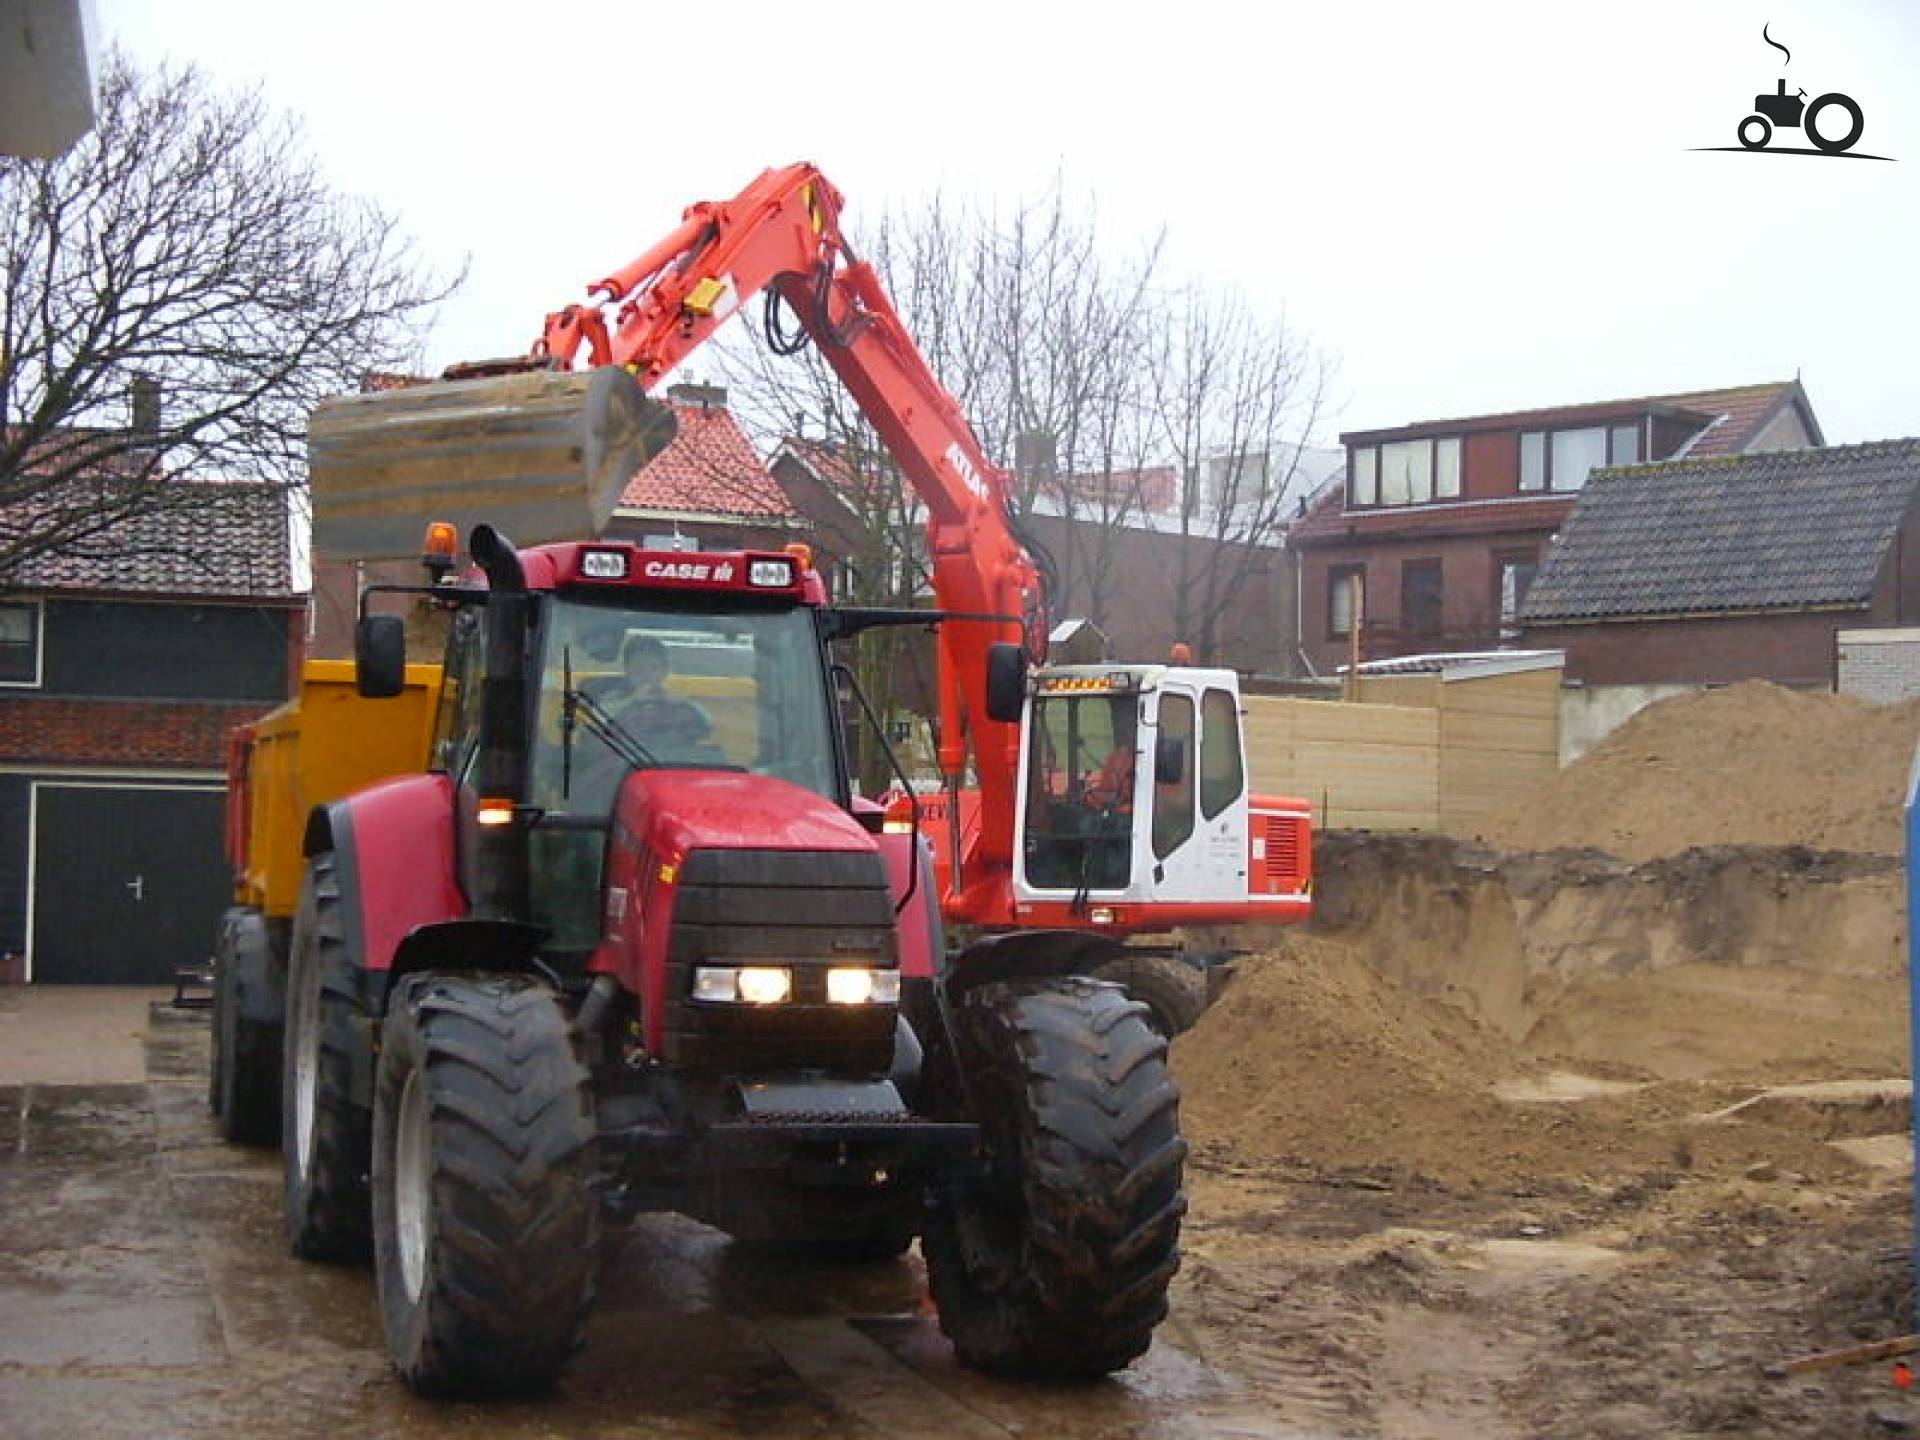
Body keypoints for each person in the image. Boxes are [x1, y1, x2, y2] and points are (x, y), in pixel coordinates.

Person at [615, 635, 712, 748]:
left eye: (654, 668)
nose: (646, 674)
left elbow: (707, 724)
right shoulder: (614, 697)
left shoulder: (676, 702)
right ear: (626, 669)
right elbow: (603, 723)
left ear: (665, 671)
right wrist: (632, 701)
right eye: (639, 667)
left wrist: (684, 704)